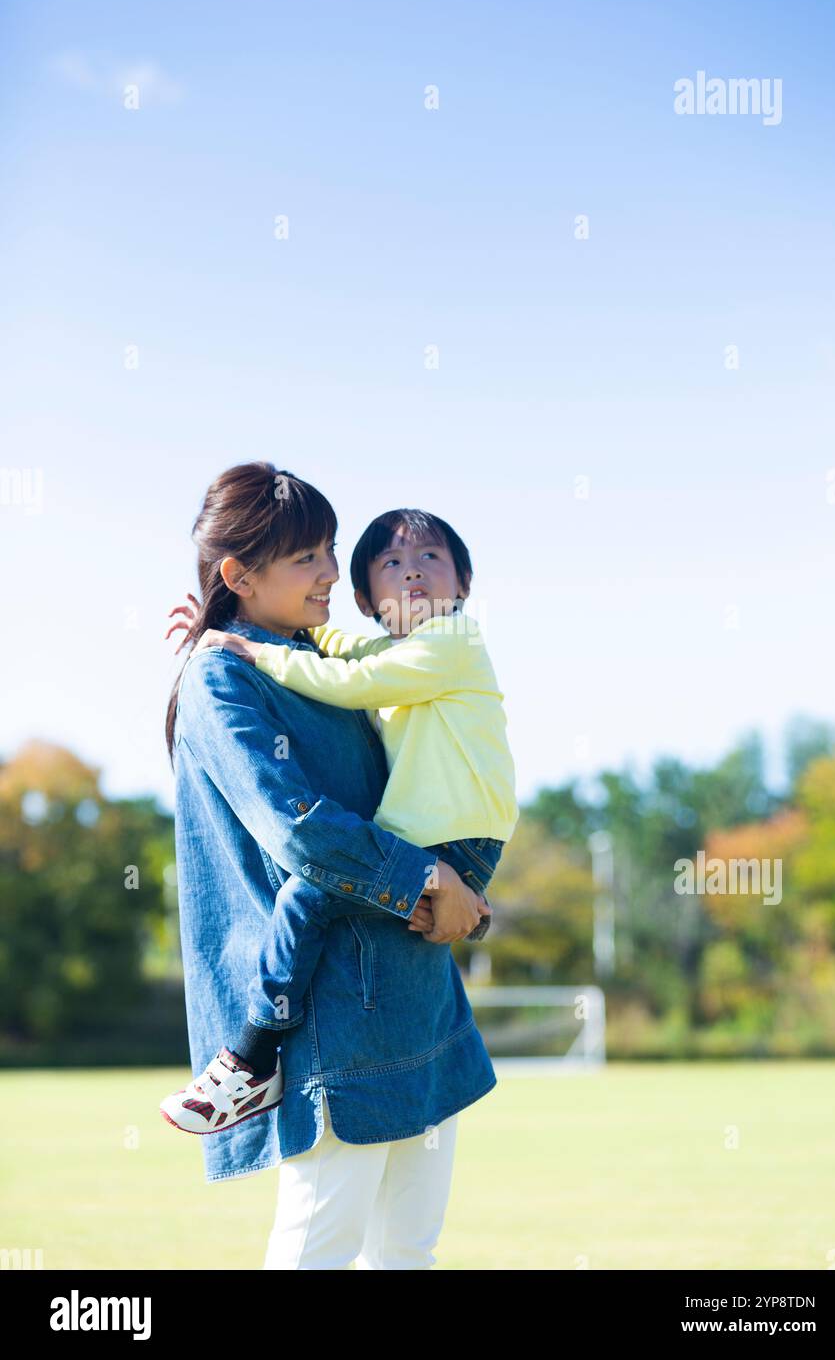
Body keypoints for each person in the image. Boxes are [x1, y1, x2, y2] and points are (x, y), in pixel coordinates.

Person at [164, 460, 498, 1269]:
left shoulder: (339, 658)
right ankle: (240, 1061)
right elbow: (301, 831)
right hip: (335, 1017)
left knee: (407, 1252)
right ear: (238, 575)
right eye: (307, 558)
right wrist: (427, 880)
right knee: (320, 1250)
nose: (329, 574)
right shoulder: (220, 678)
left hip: (420, 993)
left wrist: (450, 883)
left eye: (329, 551)